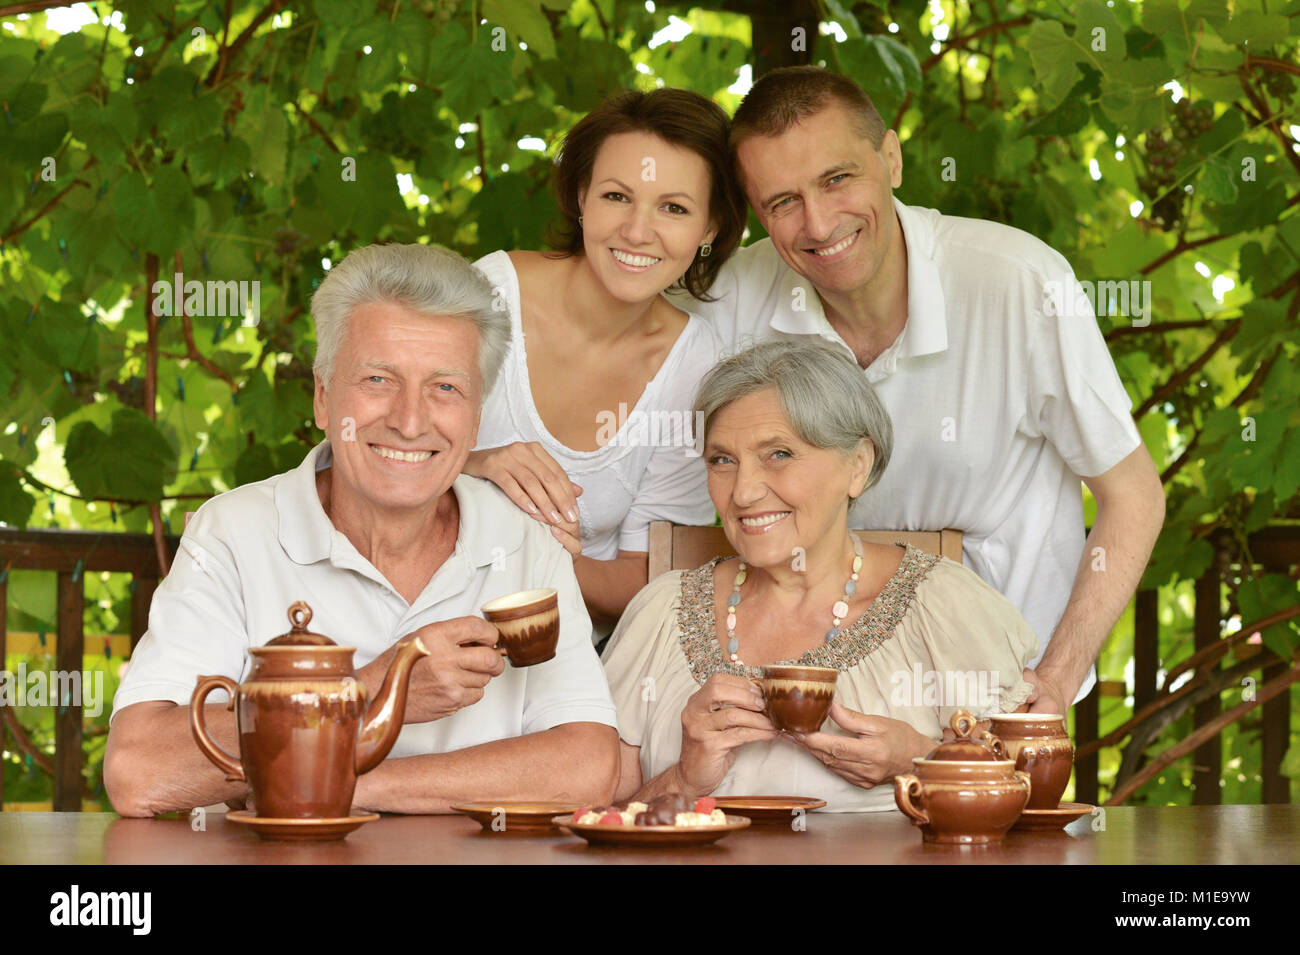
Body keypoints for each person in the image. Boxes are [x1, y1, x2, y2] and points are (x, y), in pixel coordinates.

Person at [673, 66, 1165, 714]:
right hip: (806, 703)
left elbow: (1133, 496)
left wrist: (1054, 680)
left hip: (998, 698)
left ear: (892, 159)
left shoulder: (1020, 282)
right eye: (782, 202)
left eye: (837, 179)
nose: (818, 224)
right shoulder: (731, 299)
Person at [104, 243, 620, 817]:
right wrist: (379, 685)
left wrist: (338, 785)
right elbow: (139, 772)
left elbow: (588, 767)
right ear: (324, 398)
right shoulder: (233, 531)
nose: (409, 420)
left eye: (445, 388)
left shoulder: (525, 537)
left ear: (475, 420)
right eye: (378, 379)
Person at [601, 340, 1038, 812]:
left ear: (858, 466)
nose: (743, 493)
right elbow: (591, 829)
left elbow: (1030, 804)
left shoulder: (944, 607)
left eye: (779, 454)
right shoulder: (662, 613)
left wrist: (917, 761)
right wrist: (684, 781)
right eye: (722, 460)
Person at [467, 88, 748, 635]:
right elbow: (376, 450)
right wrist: (473, 463)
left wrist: (545, 558)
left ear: (709, 228)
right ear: (581, 197)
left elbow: (649, 574)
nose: (638, 231)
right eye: (618, 196)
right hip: (414, 618)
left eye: (674, 208)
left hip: (564, 650)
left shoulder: (697, 367)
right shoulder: (489, 297)